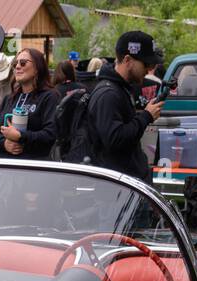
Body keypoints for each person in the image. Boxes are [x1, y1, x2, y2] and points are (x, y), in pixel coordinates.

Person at [66, 31, 163, 181]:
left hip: (126, 183)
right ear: (128, 60)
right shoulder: (108, 94)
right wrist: (146, 116)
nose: (149, 69)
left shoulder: (120, 88)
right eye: (146, 64)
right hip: (115, 189)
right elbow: (115, 139)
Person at [0, 48, 59, 160]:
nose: (17, 67)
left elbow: (50, 135)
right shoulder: (9, 99)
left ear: (37, 68)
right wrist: (4, 143)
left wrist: (20, 136)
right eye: (15, 64)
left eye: (23, 63)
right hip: (5, 168)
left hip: (33, 167)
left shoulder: (49, 97)